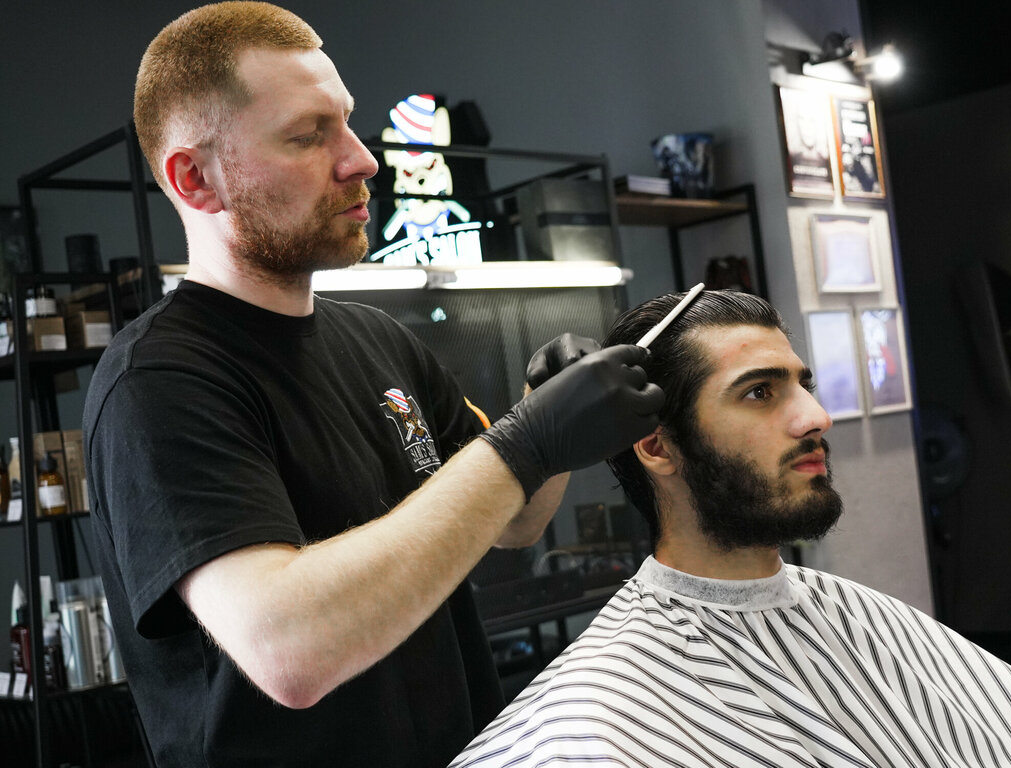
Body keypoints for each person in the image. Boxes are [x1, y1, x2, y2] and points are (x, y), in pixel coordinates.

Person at [82, 4, 663, 767]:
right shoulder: (160, 382)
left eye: (348, 124)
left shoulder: (379, 339)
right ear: (197, 180)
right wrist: (528, 443)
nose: (362, 160)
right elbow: (290, 651)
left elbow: (512, 520)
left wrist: (545, 411)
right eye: (307, 135)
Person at [450, 290, 1011, 768]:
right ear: (657, 447)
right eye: (759, 392)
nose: (817, 418)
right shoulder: (586, 728)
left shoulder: (859, 617)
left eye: (803, 387)